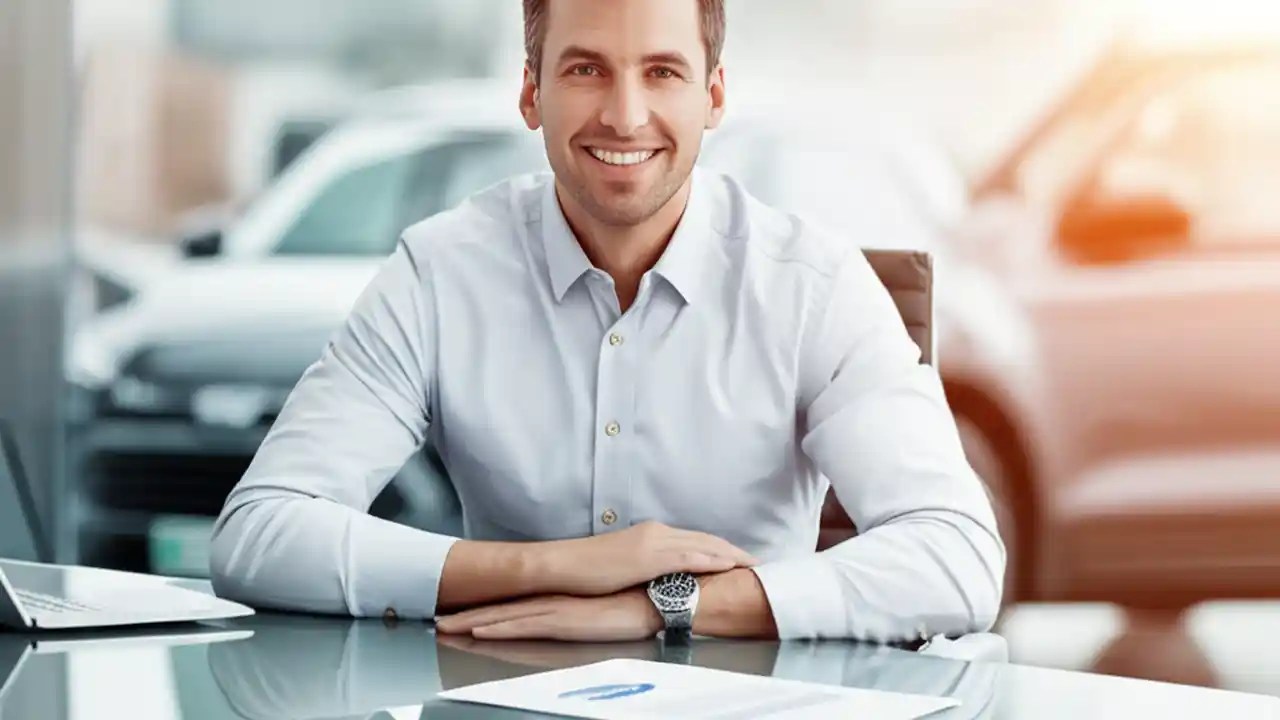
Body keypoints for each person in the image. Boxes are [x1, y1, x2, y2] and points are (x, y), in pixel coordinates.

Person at [210, 0, 1005, 643]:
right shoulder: (441, 272)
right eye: (586, 69)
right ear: (531, 91)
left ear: (714, 94)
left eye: (662, 72)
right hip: (502, 700)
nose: (625, 116)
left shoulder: (815, 286)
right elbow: (260, 534)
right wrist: (562, 569)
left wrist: (663, 606)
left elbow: (958, 557)